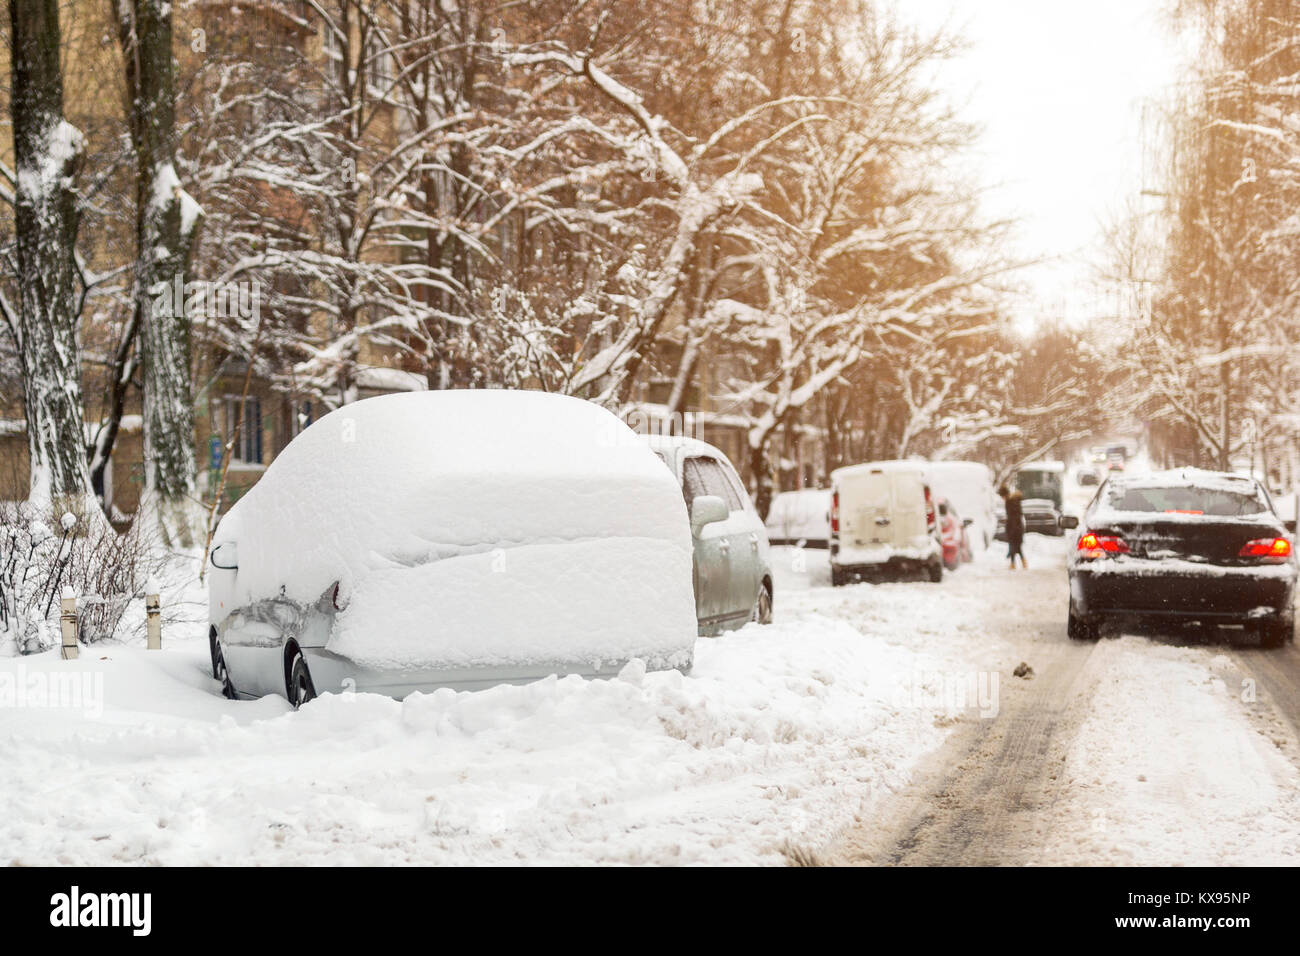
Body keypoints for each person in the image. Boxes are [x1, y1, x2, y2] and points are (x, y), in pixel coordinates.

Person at [998, 483, 1026, 570]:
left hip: (1014, 527)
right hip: (1017, 526)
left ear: (1004, 494)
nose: (1001, 498)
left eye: (1001, 495)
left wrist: (1012, 529)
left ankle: (1014, 564)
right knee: (1016, 546)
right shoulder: (1013, 501)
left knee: (1013, 546)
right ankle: (1022, 562)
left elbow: (1013, 516)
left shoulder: (1010, 502)